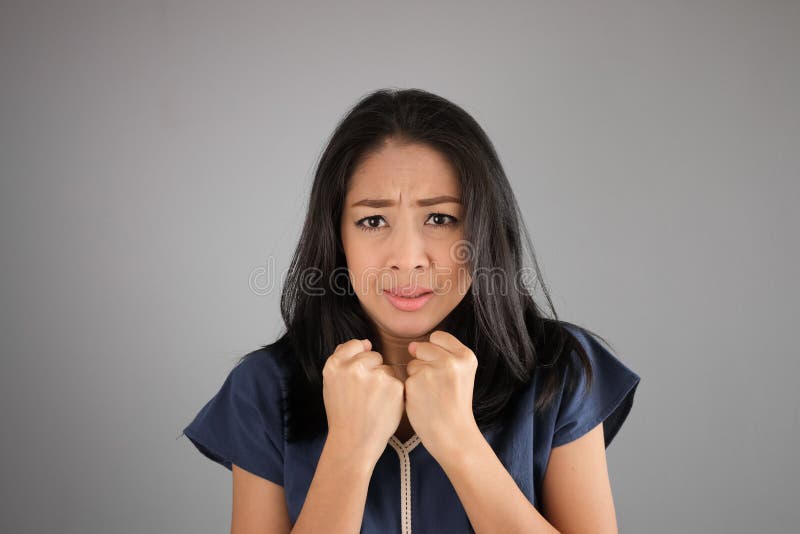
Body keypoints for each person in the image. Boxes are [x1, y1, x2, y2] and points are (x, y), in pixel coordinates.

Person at [181, 88, 641, 534]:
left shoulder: (561, 371)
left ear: (482, 231)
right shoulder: (264, 389)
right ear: (337, 238)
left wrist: (461, 444)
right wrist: (347, 452)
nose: (406, 258)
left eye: (440, 219)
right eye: (372, 220)